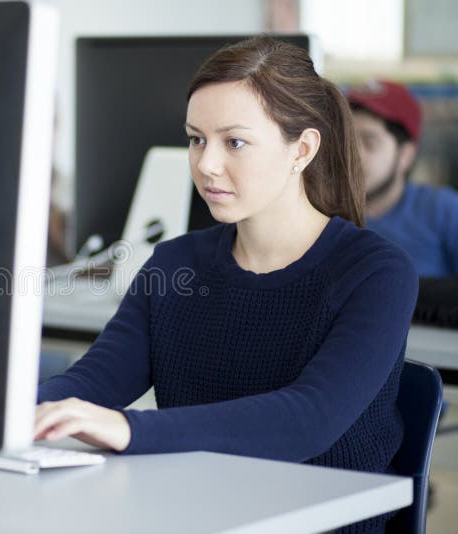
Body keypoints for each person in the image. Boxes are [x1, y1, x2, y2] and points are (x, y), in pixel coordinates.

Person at [35, 36, 418, 533]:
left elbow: (307, 420)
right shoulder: (174, 264)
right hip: (196, 518)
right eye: (196, 139)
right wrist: (24, 412)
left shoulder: (375, 272)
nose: (206, 164)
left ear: (301, 149)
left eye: (234, 142)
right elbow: (94, 383)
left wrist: (127, 428)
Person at [347, 79, 458, 277]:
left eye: (369, 142)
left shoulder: (442, 211)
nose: (352, 154)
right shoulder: (319, 214)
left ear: (405, 156)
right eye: (344, 140)